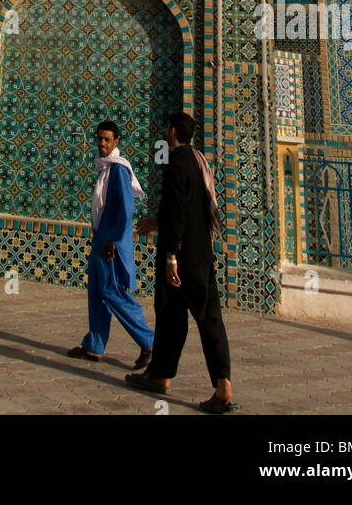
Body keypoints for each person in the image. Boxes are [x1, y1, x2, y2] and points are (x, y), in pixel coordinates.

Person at [125, 111, 233, 413]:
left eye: (167, 129)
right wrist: (157, 220)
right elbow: (187, 207)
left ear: (172, 133)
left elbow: (177, 212)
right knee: (206, 317)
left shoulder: (176, 164)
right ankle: (221, 383)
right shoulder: (199, 162)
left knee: (172, 315)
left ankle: (162, 375)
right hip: (201, 255)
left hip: (180, 257)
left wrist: (171, 256)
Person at [67, 120, 153, 367]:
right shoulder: (105, 168)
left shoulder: (118, 170)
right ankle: (94, 345)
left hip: (109, 244)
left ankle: (148, 341)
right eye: (99, 139)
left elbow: (126, 210)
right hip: (100, 238)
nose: (102, 143)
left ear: (116, 142)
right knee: (96, 291)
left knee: (111, 291)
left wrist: (114, 241)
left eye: (107, 140)